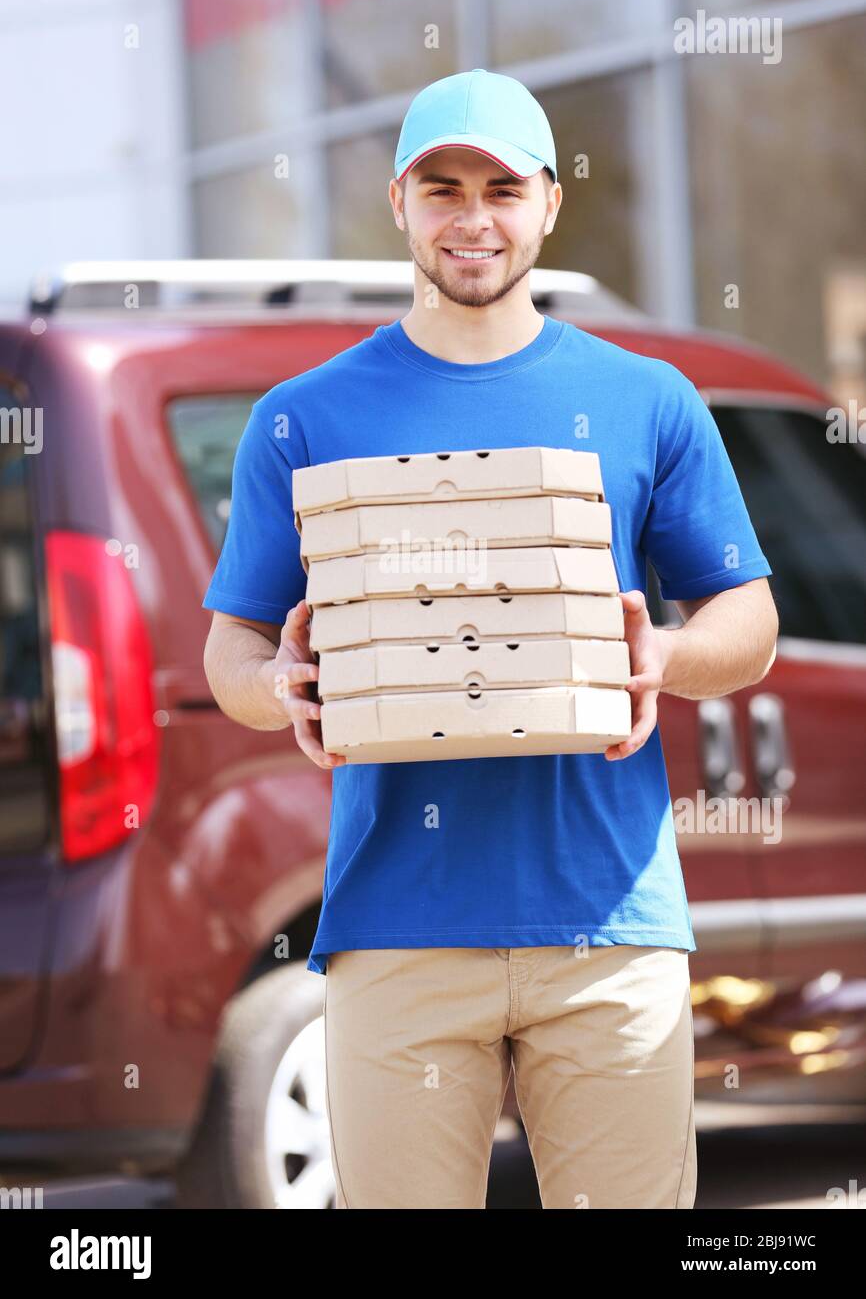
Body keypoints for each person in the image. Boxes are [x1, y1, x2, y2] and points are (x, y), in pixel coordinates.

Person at [202, 68, 778, 1209]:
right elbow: (232, 655)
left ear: (548, 203)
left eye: (501, 188)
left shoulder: (647, 399)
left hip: (606, 925)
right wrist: (282, 683)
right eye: (442, 187)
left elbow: (747, 623)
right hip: (397, 931)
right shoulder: (304, 416)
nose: (472, 217)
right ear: (398, 201)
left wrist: (663, 656)